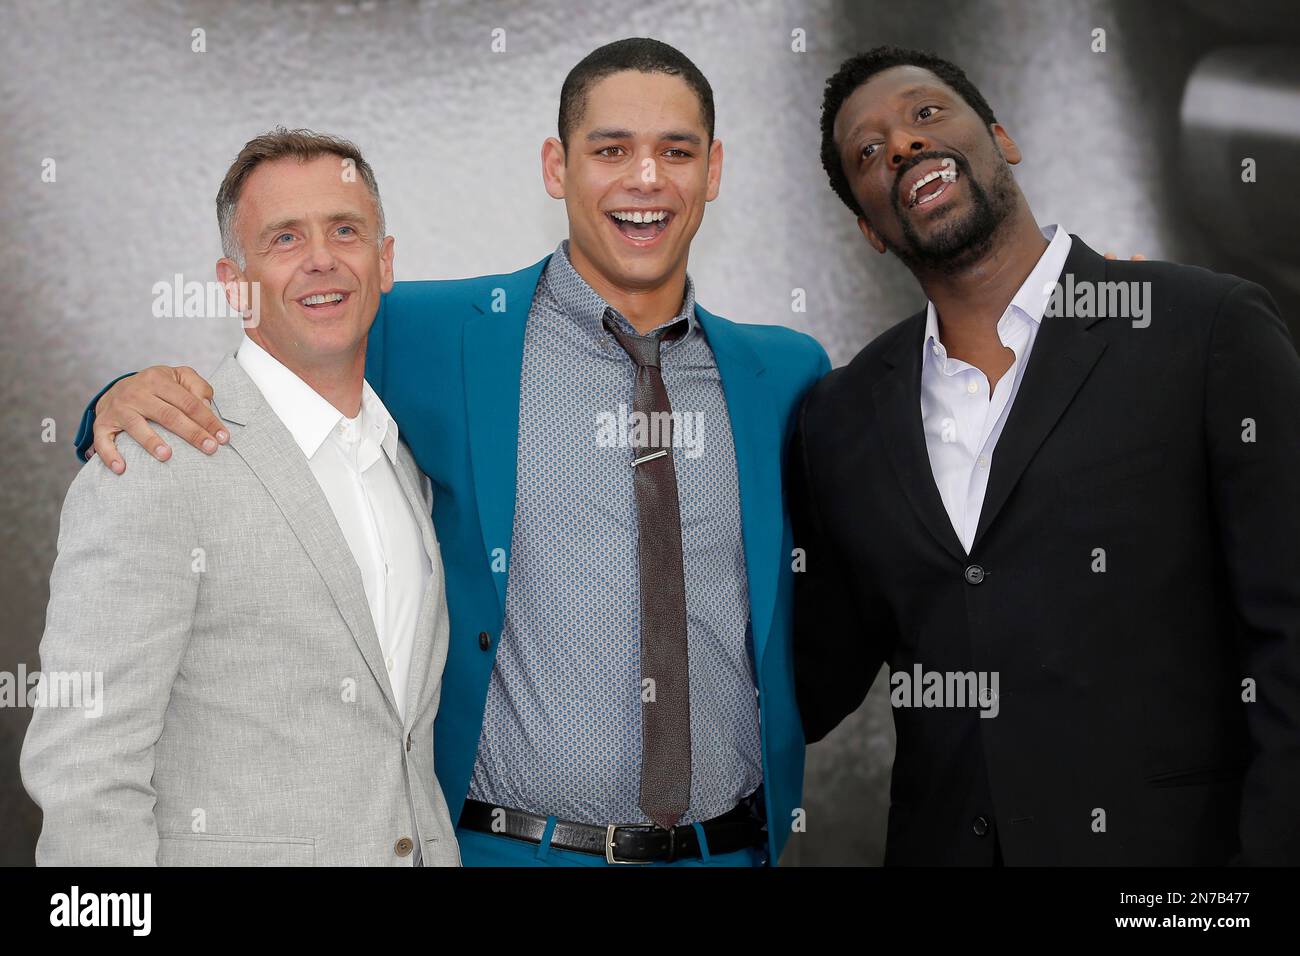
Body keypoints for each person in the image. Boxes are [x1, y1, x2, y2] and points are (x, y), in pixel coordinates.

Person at [71, 38, 828, 867]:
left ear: (712, 171)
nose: (645, 179)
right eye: (610, 149)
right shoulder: (429, 333)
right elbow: (279, 355)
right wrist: (117, 400)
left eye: (675, 152)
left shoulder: (785, 375)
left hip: (730, 852)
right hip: (505, 849)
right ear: (556, 166)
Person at [790, 45, 1300, 865]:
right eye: (869, 152)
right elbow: (808, 677)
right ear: (868, 229)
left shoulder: (1205, 330)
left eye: (925, 115)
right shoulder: (838, 417)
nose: (904, 147)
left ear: (1001, 137)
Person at [22, 129, 461, 866]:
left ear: (384, 262)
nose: (322, 258)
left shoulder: (404, 461)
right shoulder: (156, 460)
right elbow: (84, 770)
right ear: (234, 282)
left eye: (345, 230)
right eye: (284, 238)